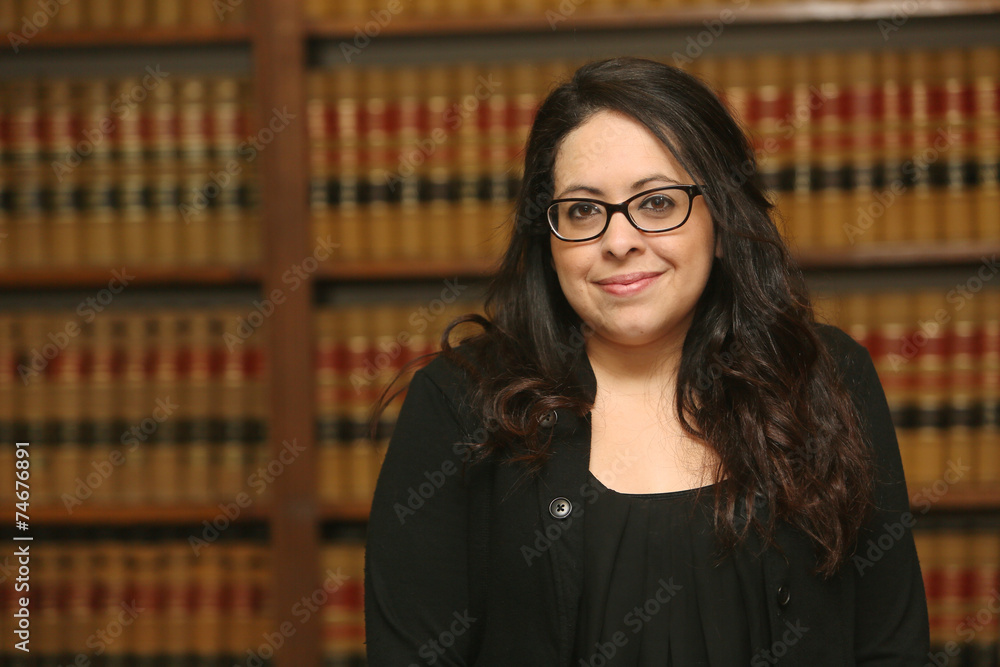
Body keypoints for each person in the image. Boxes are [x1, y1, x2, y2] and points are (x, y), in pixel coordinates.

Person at [363, 56, 930, 666]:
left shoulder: (825, 376)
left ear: (720, 218)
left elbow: (889, 647)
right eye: (583, 210)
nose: (619, 240)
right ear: (546, 237)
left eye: (657, 203)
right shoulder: (459, 403)